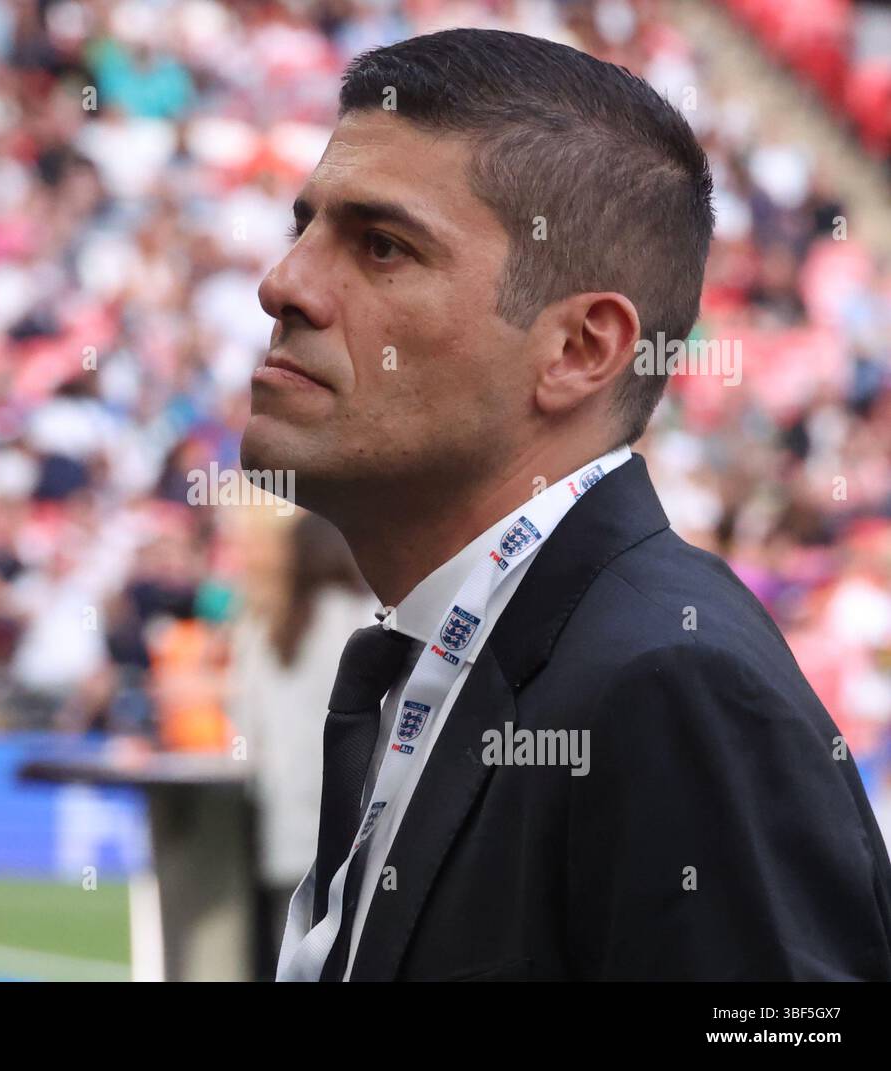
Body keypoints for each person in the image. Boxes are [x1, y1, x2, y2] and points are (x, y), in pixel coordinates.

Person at [240, 28, 891, 981]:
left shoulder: (673, 685)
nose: (283, 283)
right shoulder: (471, 645)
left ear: (581, 349)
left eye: (381, 245)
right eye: (302, 227)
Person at [229, 512, 377, 979]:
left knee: (290, 956)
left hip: (286, 827)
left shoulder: (264, 629)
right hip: (354, 826)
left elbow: (243, 729)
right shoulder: (367, 620)